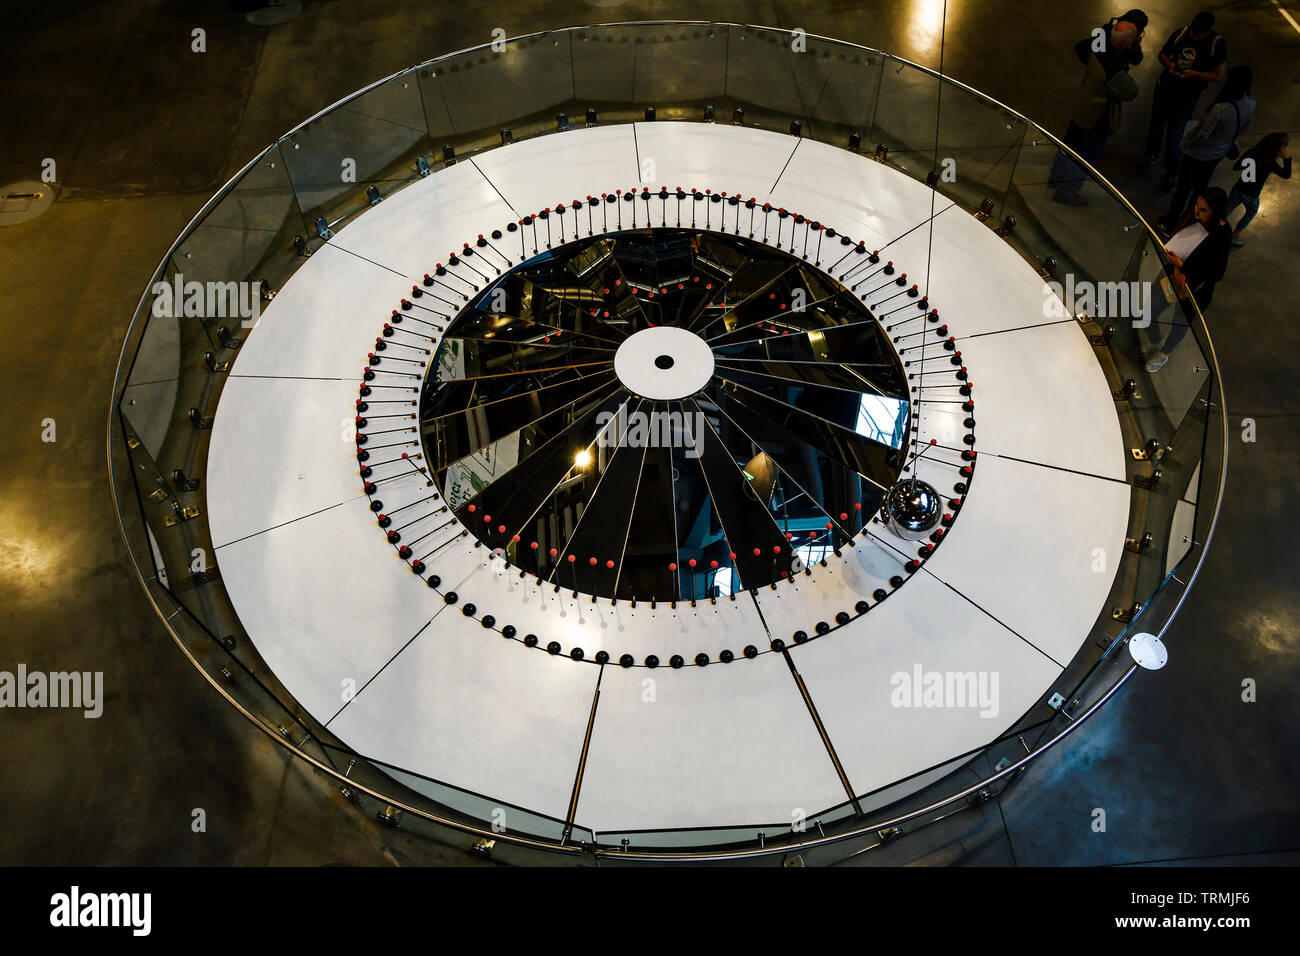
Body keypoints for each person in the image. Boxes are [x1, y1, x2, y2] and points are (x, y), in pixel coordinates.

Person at [1048, 10, 1147, 206]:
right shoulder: (1114, 68)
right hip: (1098, 117)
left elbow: (1082, 48)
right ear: (1126, 43)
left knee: (1068, 145)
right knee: (1086, 157)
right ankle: (1067, 192)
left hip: (1083, 103)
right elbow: (1130, 92)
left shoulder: (1102, 39)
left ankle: (1055, 178)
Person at [1157, 65, 1255, 235]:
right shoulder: (1250, 104)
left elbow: (1203, 134)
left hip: (1199, 155)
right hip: (1217, 155)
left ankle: (1171, 222)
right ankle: (1189, 221)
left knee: (1183, 188)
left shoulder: (1221, 109)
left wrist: (1185, 143)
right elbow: (1243, 128)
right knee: (1199, 190)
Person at [1138, 11, 1228, 190]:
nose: (1193, 36)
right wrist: (1170, 65)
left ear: (1208, 31)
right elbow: (1163, 54)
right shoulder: (1182, 33)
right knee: (1156, 125)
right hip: (1165, 88)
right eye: (1193, 32)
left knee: (1175, 135)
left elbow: (1218, 74)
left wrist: (1194, 74)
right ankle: (1151, 155)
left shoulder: (1216, 43)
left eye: (1198, 34)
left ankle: (1172, 173)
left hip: (1187, 95)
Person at [1145, 187, 1231, 371]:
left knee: (1180, 322)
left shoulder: (1222, 234)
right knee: (1148, 311)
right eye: (1197, 206)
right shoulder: (1194, 218)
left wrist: (1183, 267)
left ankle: (1165, 352)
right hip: (1172, 278)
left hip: (1194, 291)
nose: (1197, 212)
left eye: (1203, 210)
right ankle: (1157, 341)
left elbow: (1217, 273)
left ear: (1216, 211)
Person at [1227, 132, 1291, 248]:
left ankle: (1211, 230)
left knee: (1225, 211)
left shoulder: (1252, 152)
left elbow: (1236, 167)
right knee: (1250, 213)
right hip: (1252, 196)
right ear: (1278, 150)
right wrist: (1287, 159)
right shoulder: (1271, 163)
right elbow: (1286, 175)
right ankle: (1233, 236)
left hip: (1238, 189)